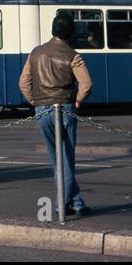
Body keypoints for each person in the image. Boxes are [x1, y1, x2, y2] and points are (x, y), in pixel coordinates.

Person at [18, 13, 93, 219]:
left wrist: (35, 101)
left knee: (56, 161)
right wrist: (78, 100)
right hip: (65, 109)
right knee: (67, 160)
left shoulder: (36, 53)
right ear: (71, 32)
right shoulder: (72, 55)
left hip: (42, 111)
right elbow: (86, 84)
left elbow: (23, 83)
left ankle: (77, 203)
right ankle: (62, 206)